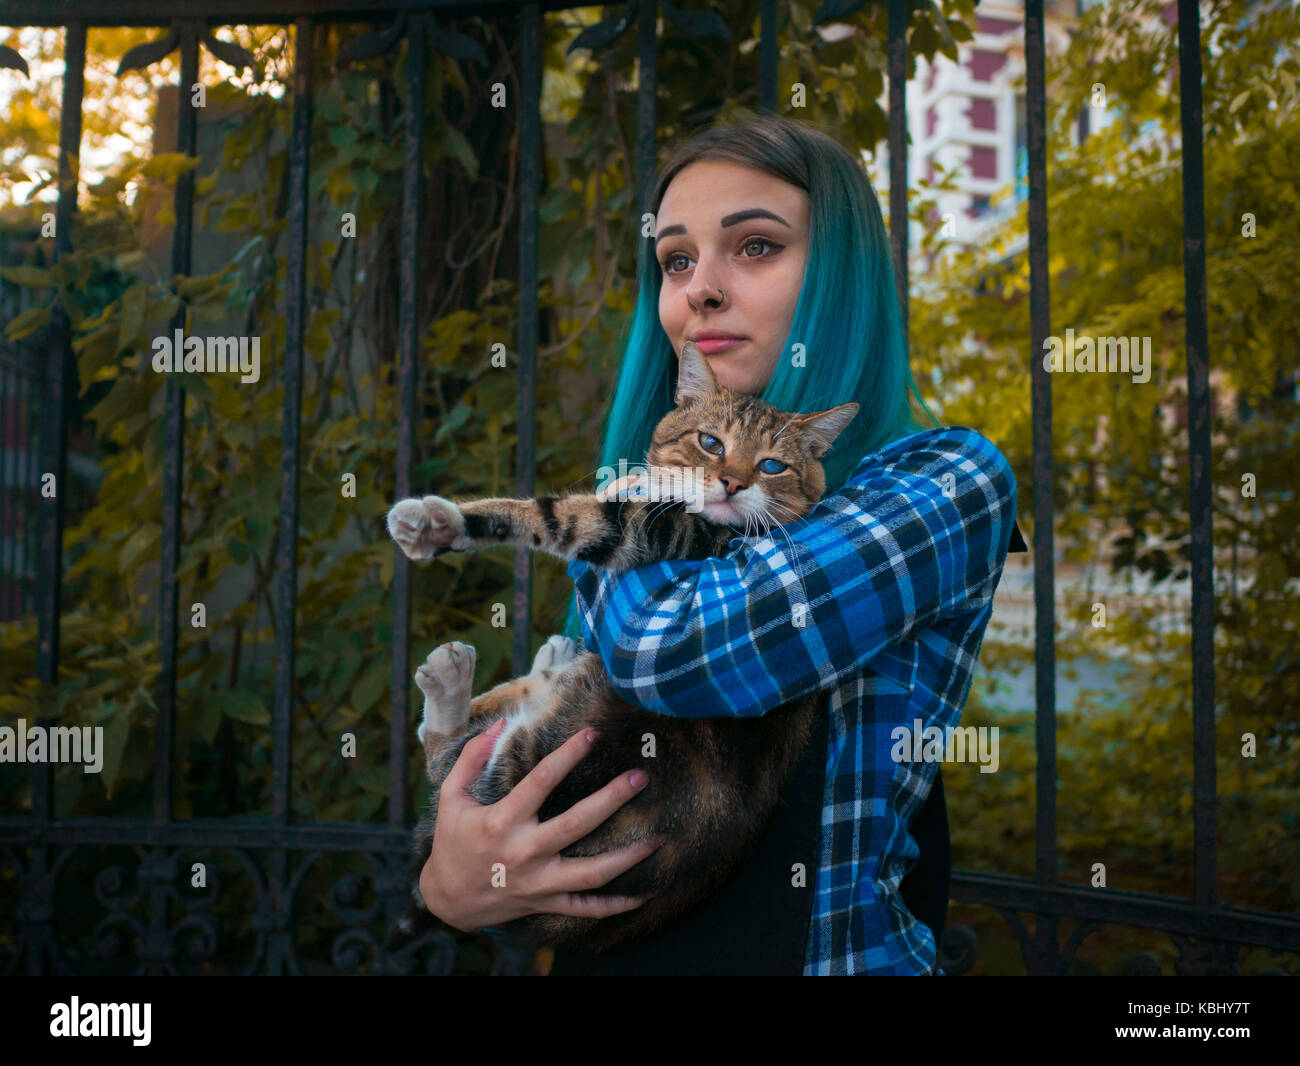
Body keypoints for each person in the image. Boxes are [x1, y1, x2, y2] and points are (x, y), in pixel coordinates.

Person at [417, 114, 1025, 976]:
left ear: (840, 280)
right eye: (676, 260)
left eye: (755, 247)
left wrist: (626, 502)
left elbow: (669, 655)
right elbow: (540, 784)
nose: (700, 288)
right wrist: (449, 883)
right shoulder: (680, 494)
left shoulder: (946, 481)